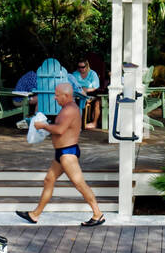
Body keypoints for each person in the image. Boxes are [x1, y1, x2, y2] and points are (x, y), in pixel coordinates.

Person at [16, 81, 105, 227]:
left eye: (57, 95)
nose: (55, 98)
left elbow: (59, 130)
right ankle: (35, 215)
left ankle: (98, 214)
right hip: (61, 153)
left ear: (66, 95)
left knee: (80, 184)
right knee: (49, 180)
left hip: (68, 154)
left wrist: (43, 125)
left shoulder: (70, 109)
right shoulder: (66, 108)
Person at [70, 59, 102, 130]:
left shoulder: (92, 74)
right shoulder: (75, 74)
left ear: (87, 66)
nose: (80, 69)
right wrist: (81, 90)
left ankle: (94, 123)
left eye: (82, 67)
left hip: (90, 92)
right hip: (77, 93)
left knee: (97, 103)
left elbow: (95, 87)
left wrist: (86, 90)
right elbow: (71, 85)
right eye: (79, 67)